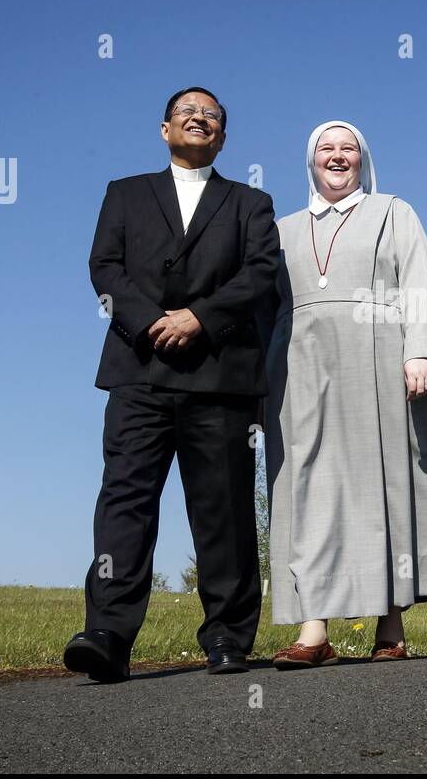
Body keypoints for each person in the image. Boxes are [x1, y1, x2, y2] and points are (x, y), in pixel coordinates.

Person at [262, 120, 427, 669]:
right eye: (327, 149)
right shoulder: (282, 229)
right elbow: (264, 306)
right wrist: (260, 379)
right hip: (300, 364)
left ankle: (389, 626)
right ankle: (313, 629)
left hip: (380, 355)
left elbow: (418, 278)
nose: (338, 157)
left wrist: (421, 350)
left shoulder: (394, 211)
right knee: (308, 486)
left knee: (387, 482)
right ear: (311, 161)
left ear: (363, 160)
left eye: (349, 149)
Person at [64, 86, 280, 681]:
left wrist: (200, 318)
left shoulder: (250, 203)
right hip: (139, 372)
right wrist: (151, 321)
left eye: (211, 115)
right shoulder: (125, 194)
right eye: (187, 111)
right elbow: (102, 266)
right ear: (164, 129)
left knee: (225, 510)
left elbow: (261, 273)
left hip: (221, 378)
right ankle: (108, 632)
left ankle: (229, 636)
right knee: (125, 502)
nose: (199, 118)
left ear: (223, 137)